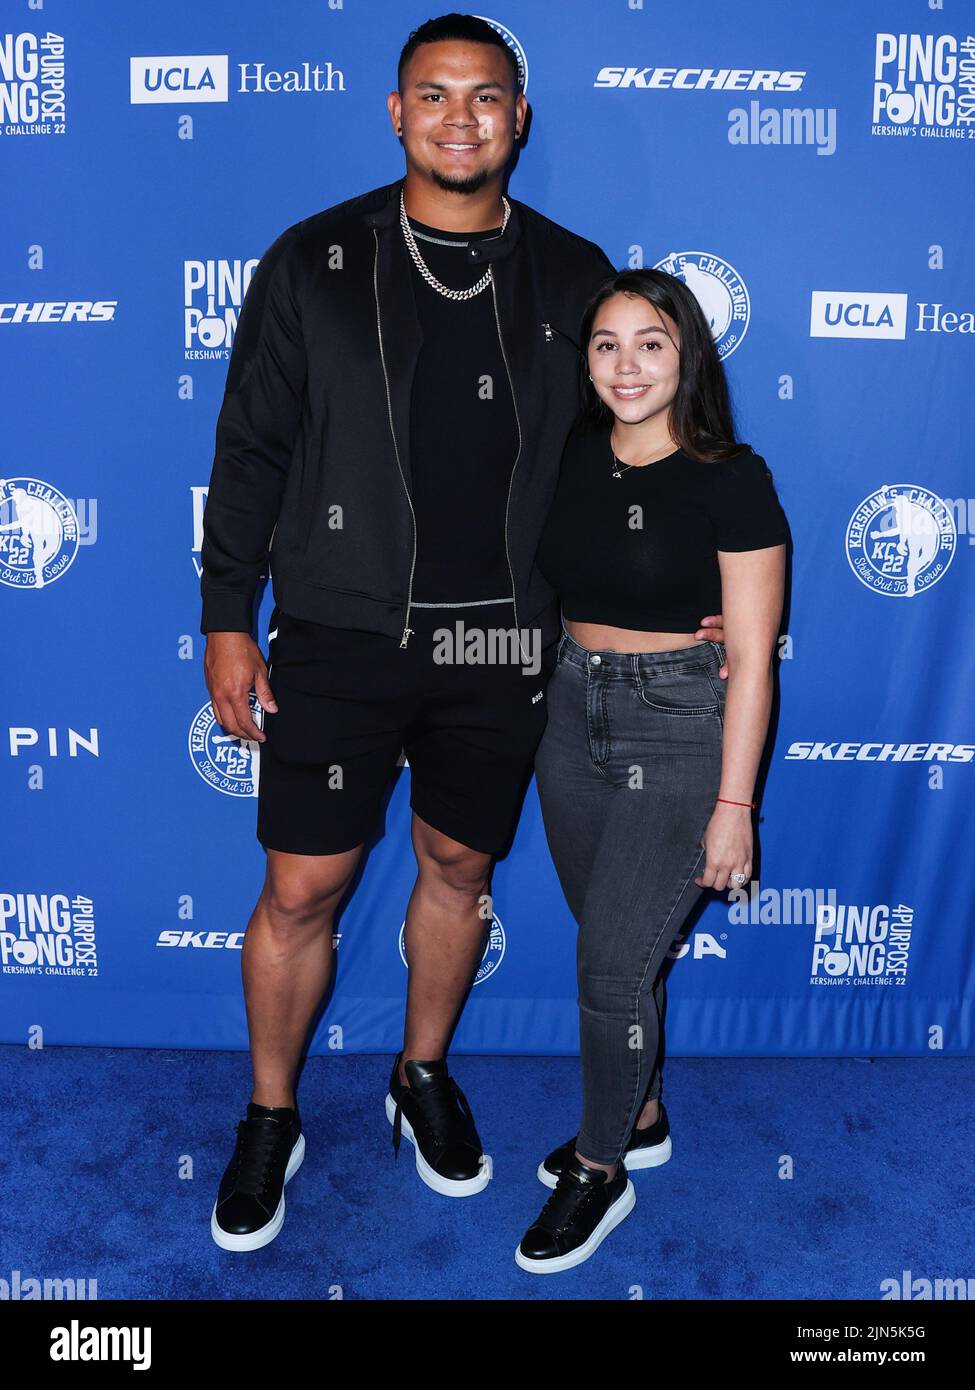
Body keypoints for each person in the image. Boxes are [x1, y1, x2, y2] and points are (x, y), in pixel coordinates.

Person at [201, 15, 726, 1252]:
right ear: (396, 113)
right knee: (300, 888)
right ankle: (271, 1113)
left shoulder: (570, 271)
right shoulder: (314, 260)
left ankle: (419, 1073)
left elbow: (627, 457)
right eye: (432, 96)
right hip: (338, 630)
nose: (458, 118)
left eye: (485, 97)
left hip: (498, 644)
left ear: (519, 119)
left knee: (459, 871)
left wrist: (685, 588)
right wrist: (227, 616)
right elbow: (249, 451)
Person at [517, 268, 788, 1273]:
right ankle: (645, 1112)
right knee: (617, 946)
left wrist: (734, 806)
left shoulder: (732, 476)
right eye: (606, 344)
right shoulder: (570, 456)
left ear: (687, 359)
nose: (626, 365)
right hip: (567, 712)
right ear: (584, 362)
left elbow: (753, 656)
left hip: (679, 720)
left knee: (607, 965)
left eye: (651, 343)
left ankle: (600, 1166)